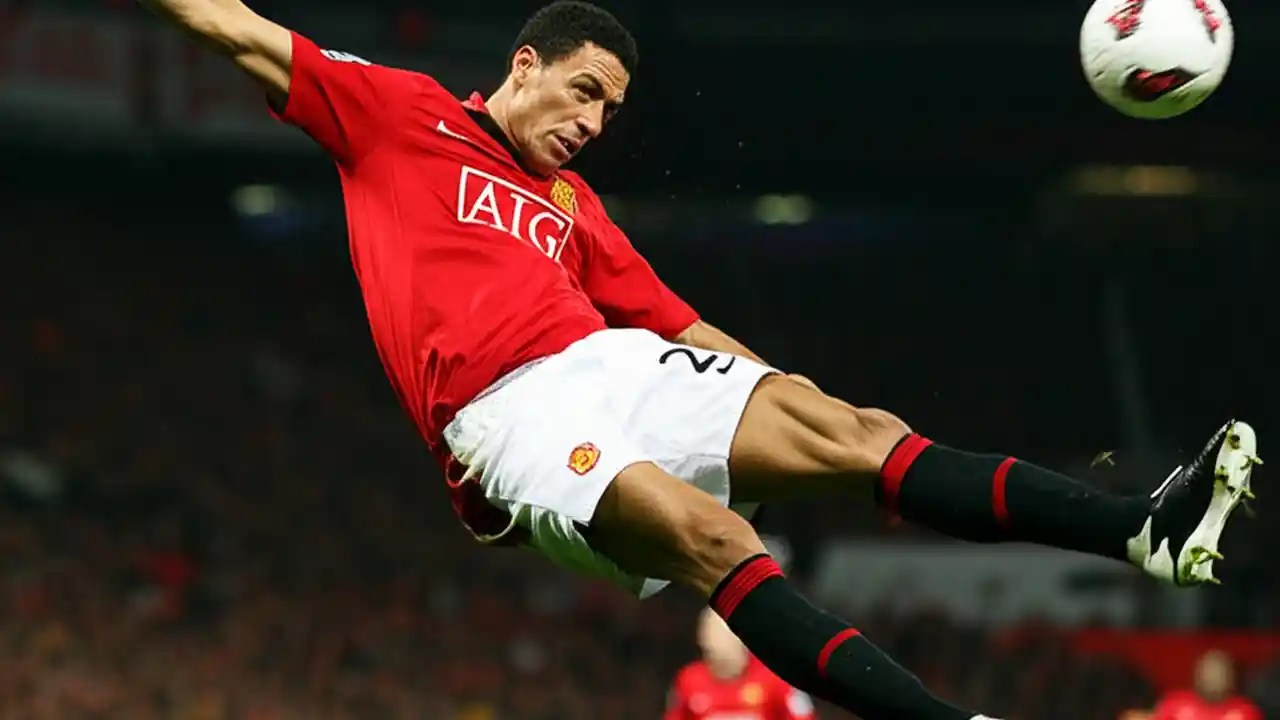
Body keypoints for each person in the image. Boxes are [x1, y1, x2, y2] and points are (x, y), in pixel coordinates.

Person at [135, 1, 1262, 718]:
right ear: (525, 65)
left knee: (858, 433)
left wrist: (794, 395)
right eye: (583, 91)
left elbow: (674, 325)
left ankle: (1140, 530)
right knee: (719, 541)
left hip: (606, 364)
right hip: (503, 416)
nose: (593, 123)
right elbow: (234, 28)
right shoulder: (397, 114)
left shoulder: (572, 204)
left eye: (610, 110)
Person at [666, 608, 817, 720]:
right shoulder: (689, 680)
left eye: (722, 636)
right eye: (708, 635)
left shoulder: (775, 676)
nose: (711, 642)